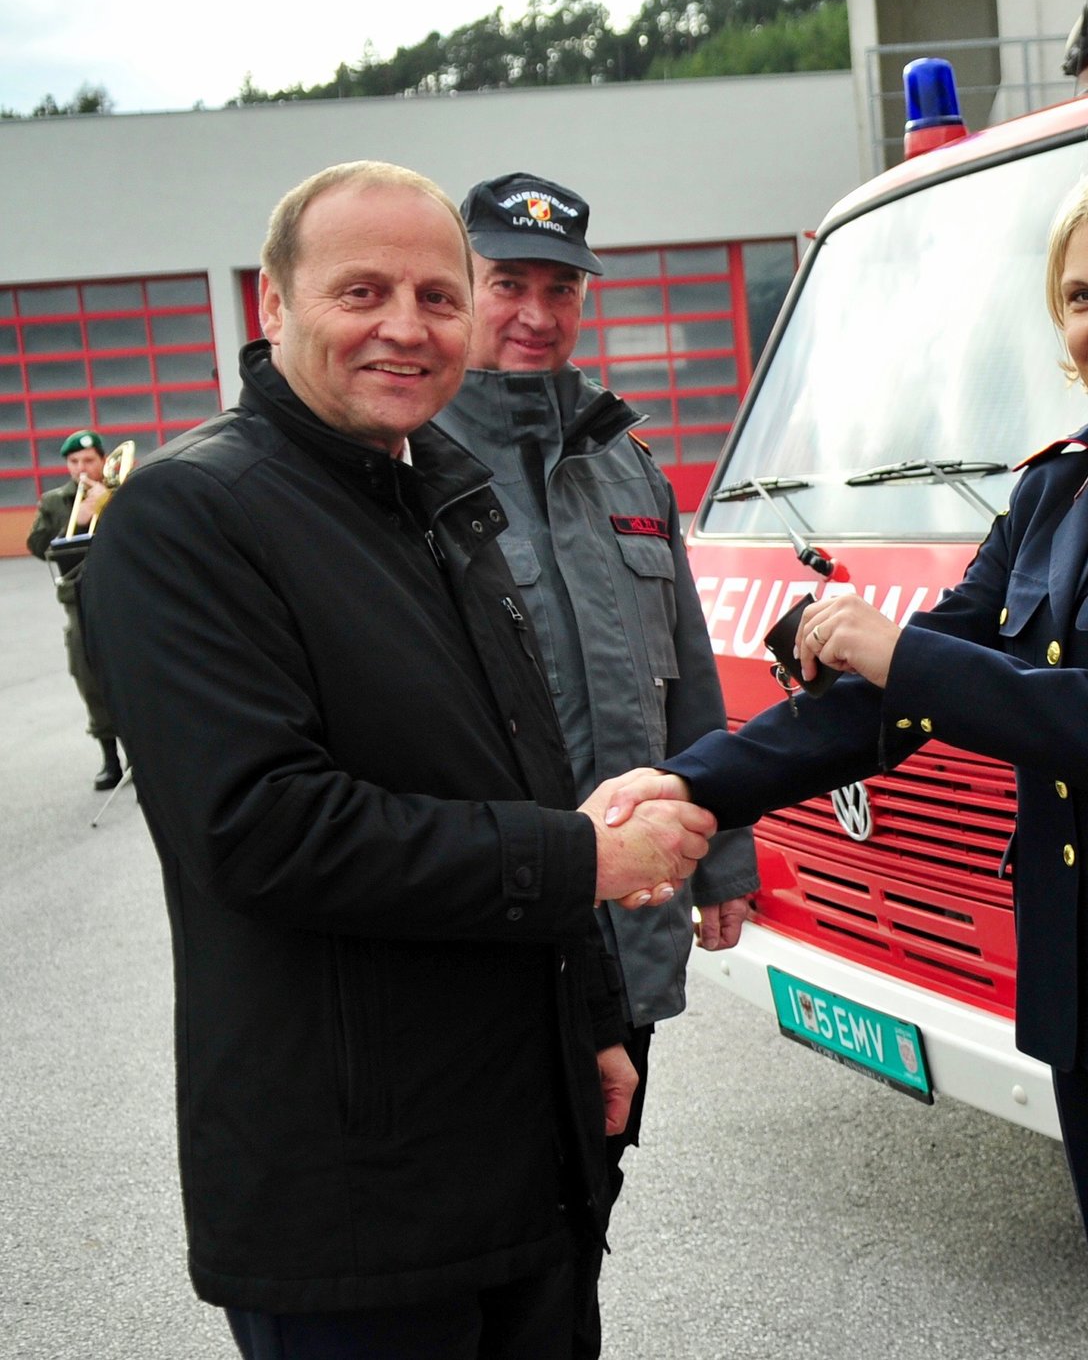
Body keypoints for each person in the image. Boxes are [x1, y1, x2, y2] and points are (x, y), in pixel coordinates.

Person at [600, 147, 1088, 1357]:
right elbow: (894, 703)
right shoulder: (1059, 488)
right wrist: (693, 781)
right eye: (1079, 297)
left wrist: (900, 654)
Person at [83, 160, 714, 1360]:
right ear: (275, 303)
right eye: (362, 291)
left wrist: (590, 1016)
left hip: (524, 1142)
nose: (408, 327)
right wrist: (582, 858)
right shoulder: (191, 516)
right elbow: (264, 827)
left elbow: (522, 768)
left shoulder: (435, 494)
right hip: (358, 1189)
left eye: (435, 296)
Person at [438, 170, 759, 1356]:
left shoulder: (625, 464)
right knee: (500, 1227)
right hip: (495, 923)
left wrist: (724, 854)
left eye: (560, 287)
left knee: (589, 1199)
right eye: (506, 283)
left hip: (626, 920)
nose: (536, 312)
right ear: (458, 287)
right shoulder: (410, 464)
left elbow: (688, 676)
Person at [25, 428, 122, 789]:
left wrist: (108, 504)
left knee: (132, 673)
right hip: (78, 600)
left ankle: (141, 753)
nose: (82, 468)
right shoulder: (54, 502)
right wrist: (77, 520)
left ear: (102, 461)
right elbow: (37, 546)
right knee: (88, 675)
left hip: (122, 596)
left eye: (89, 460)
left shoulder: (121, 492)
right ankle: (110, 758)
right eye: (74, 461)